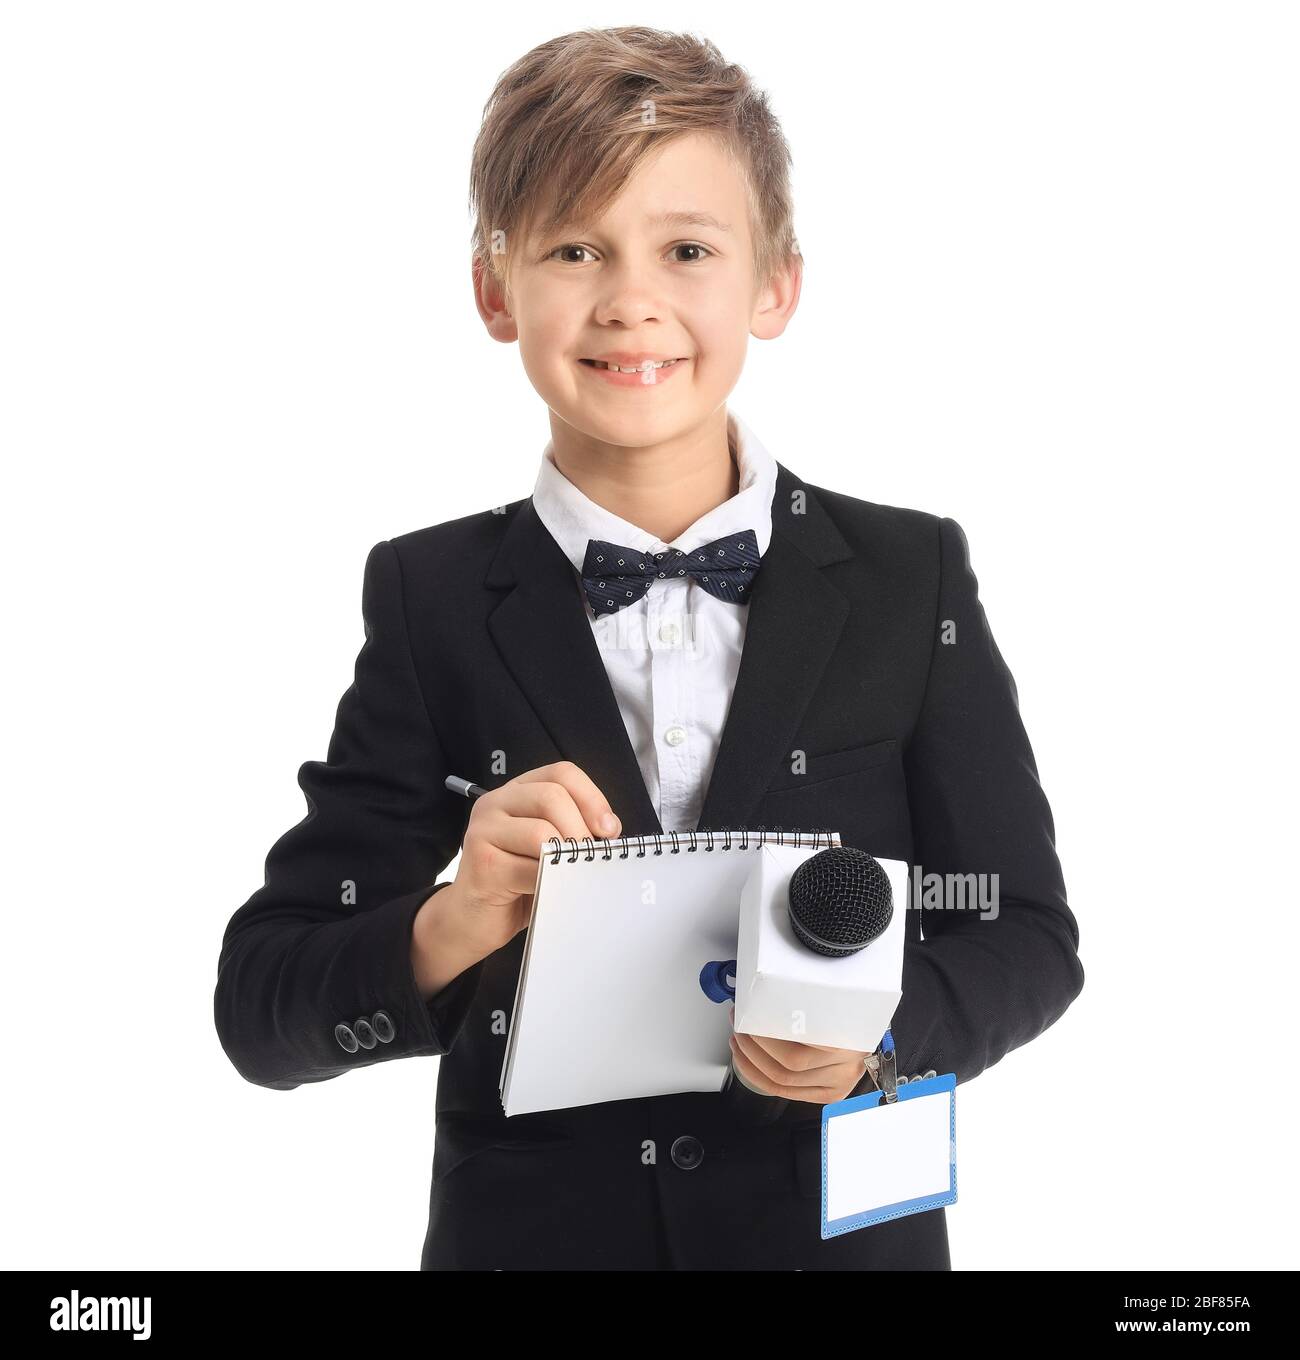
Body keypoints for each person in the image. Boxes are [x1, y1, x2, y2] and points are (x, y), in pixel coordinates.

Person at [213, 25, 1084, 1271]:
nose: (631, 299)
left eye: (687, 249)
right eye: (574, 248)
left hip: (839, 1242)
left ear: (774, 283)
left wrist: (878, 1035)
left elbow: (1022, 931)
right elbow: (264, 1013)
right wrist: (455, 916)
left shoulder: (909, 573)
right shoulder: (430, 595)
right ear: (494, 288)